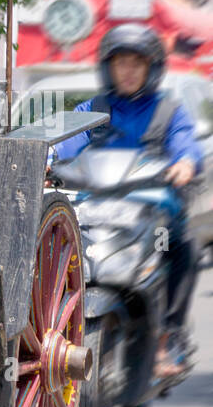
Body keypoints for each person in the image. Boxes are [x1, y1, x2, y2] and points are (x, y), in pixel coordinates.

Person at [53, 23, 201, 377]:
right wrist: (45, 157)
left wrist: (185, 163)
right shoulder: (95, 107)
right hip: (95, 206)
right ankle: (55, 329)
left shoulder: (169, 111)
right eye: (121, 62)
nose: (129, 70)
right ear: (109, 66)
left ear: (152, 67)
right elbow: (63, 140)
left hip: (152, 211)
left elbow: (186, 144)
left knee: (185, 249)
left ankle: (170, 335)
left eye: (138, 62)